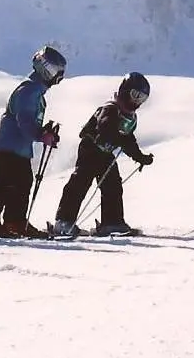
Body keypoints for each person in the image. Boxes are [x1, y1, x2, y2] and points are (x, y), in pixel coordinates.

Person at [0, 45, 67, 239]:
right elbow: (24, 120)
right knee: (8, 183)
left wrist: (43, 131)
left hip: (15, 146)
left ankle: (8, 221)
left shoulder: (34, 89)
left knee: (18, 182)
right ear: (45, 69)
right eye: (55, 72)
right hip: (10, 146)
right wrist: (42, 135)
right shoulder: (30, 90)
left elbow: (28, 120)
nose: (58, 78)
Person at [51, 72, 155, 237]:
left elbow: (128, 139)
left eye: (142, 98)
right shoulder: (111, 108)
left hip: (105, 153)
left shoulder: (129, 116)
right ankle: (63, 222)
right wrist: (115, 137)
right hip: (90, 149)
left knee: (113, 185)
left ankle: (112, 222)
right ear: (125, 91)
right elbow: (105, 126)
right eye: (136, 95)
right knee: (79, 184)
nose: (137, 101)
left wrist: (139, 157)